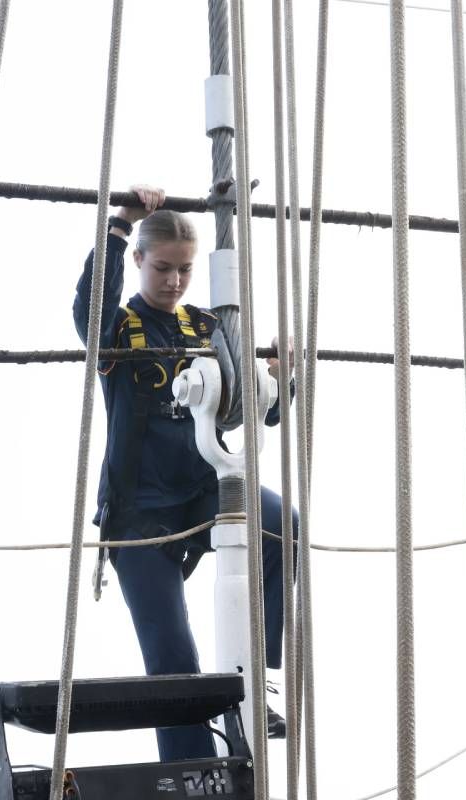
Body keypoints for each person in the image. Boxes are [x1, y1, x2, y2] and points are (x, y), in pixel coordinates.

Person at [72, 185, 298, 763]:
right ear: (141, 263)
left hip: (203, 493)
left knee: (284, 529)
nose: (174, 281)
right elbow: (88, 314)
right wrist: (119, 226)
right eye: (164, 268)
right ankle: (193, 774)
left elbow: (258, 409)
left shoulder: (208, 326)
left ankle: (257, 682)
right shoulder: (118, 331)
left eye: (185, 270)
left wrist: (277, 375)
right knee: (172, 657)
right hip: (138, 513)